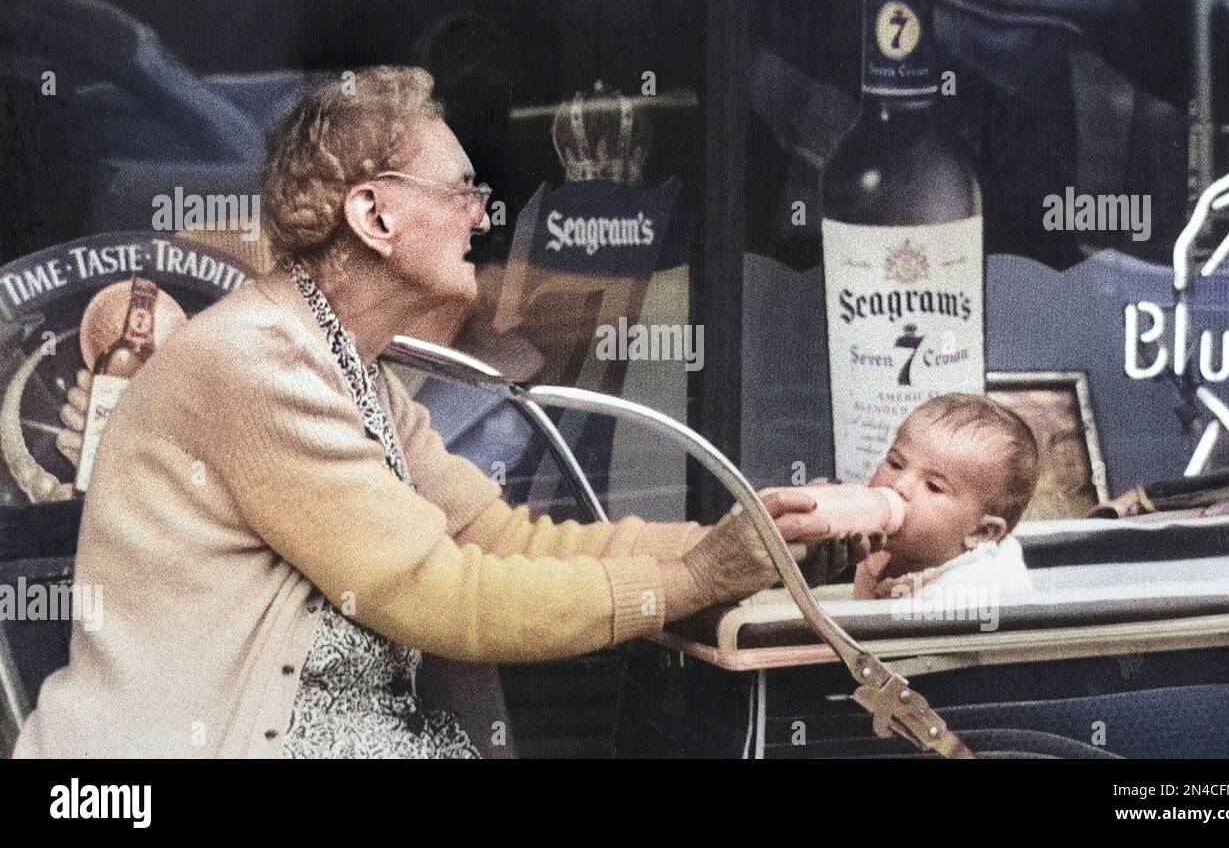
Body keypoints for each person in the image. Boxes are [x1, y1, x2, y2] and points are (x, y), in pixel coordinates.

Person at [13, 66, 844, 759]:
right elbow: (443, 595)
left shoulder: (349, 363)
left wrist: (753, 546)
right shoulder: (256, 362)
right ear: (375, 215)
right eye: (461, 190)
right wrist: (693, 581)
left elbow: (503, 539)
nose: (484, 215)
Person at [851, 393, 1040, 600]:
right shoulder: (893, 546)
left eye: (933, 486)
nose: (899, 485)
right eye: (895, 464)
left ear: (980, 532)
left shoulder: (966, 594)